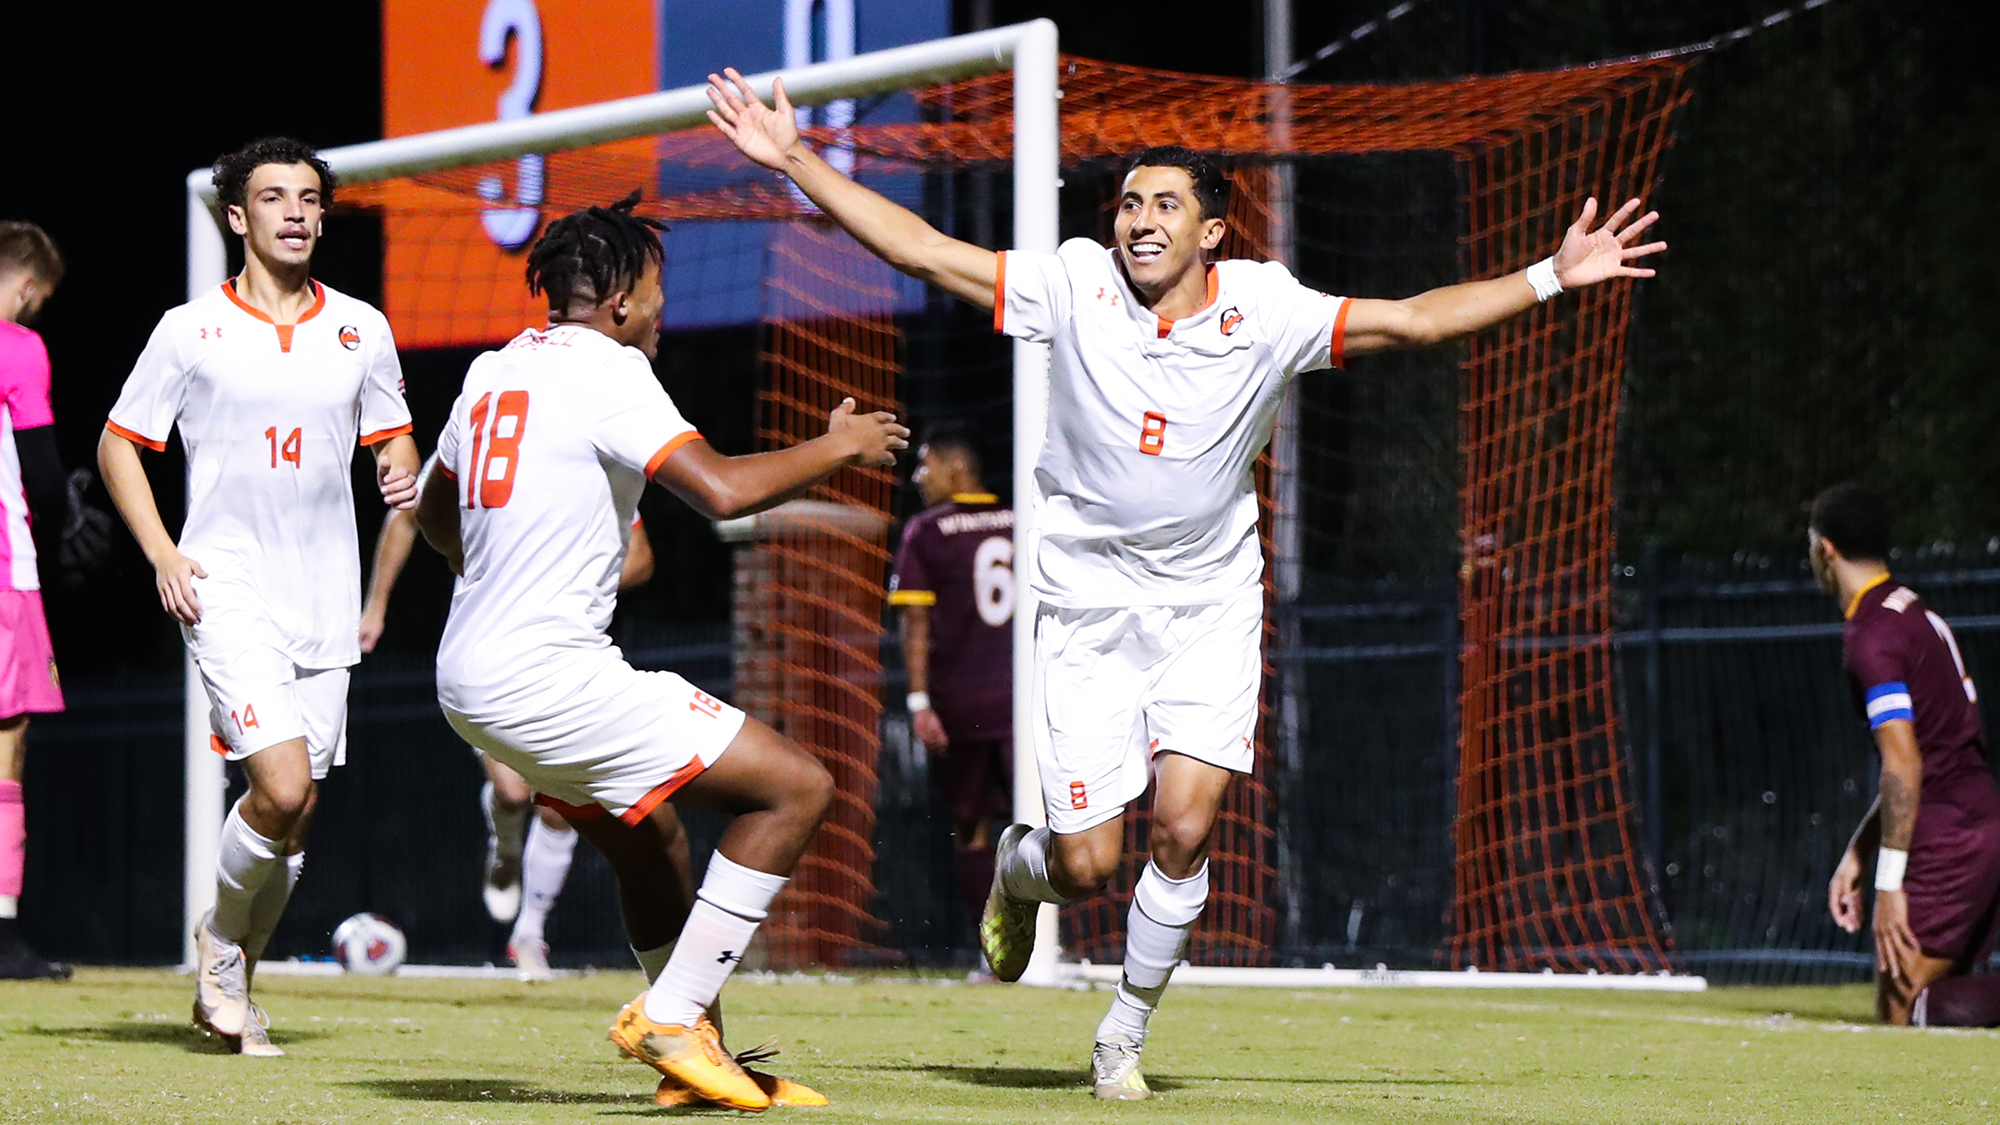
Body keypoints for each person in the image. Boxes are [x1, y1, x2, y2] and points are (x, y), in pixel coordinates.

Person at [707, 70, 1667, 1098]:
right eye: (1127, 201)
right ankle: (1016, 872)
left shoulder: (1267, 309)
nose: (1138, 220)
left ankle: (1120, 1035)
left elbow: (1413, 321)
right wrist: (796, 158)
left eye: (1165, 203)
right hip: (1083, 614)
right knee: (1085, 865)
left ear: (1213, 232)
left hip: (1206, 609)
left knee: (1184, 823)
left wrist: (1552, 277)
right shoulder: (1070, 284)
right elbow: (923, 250)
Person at [416, 194, 905, 1110]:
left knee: (650, 840)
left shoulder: (492, 369)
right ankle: (674, 1014)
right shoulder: (610, 369)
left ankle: (695, 1053)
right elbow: (719, 490)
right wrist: (838, 446)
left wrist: (507, 555)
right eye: (655, 288)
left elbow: (436, 515)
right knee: (796, 786)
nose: (663, 308)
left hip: (466, 678)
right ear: (620, 305)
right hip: (546, 676)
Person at [97, 138, 420, 1057]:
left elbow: (393, 440)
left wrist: (397, 474)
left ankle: (231, 964)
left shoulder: (362, 326)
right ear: (238, 217)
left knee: (298, 807)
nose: (295, 212)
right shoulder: (189, 329)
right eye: (274, 196)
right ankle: (223, 957)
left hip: (324, 593)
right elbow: (119, 445)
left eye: (310, 197)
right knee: (278, 785)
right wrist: (165, 551)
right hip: (224, 584)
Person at [359, 503, 656, 980]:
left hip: (564, 659)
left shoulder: (597, 463)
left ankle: (529, 935)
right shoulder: (485, 444)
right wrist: (376, 606)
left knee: (559, 804)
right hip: (488, 656)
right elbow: (408, 512)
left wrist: (567, 583)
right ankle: (505, 843)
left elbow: (640, 558)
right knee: (515, 791)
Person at [1812, 483, 2000, 1027]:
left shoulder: (1873, 635)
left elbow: (1905, 764)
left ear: (1824, 548)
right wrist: (1859, 850)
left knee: (1900, 1012)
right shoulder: (1910, 611)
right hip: (1973, 819)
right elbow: (1929, 757)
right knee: (1927, 1013)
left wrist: (1888, 882)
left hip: (1948, 838)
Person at [887, 426, 1013, 962]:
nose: (918, 478)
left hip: (964, 703)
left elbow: (916, 622)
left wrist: (918, 702)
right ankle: (1060, 943)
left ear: (957, 468)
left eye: (925, 465)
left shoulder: (927, 531)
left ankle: (994, 951)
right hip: (1027, 702)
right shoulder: (1023, 519)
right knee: (1053, 822)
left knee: (973, 829)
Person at [0, 222, 72, 981]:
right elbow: (43, 475)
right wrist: (68, 515)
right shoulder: (18, 346)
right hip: (2, 571)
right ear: (26, 287)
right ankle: (4, 933)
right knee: (6, 742)